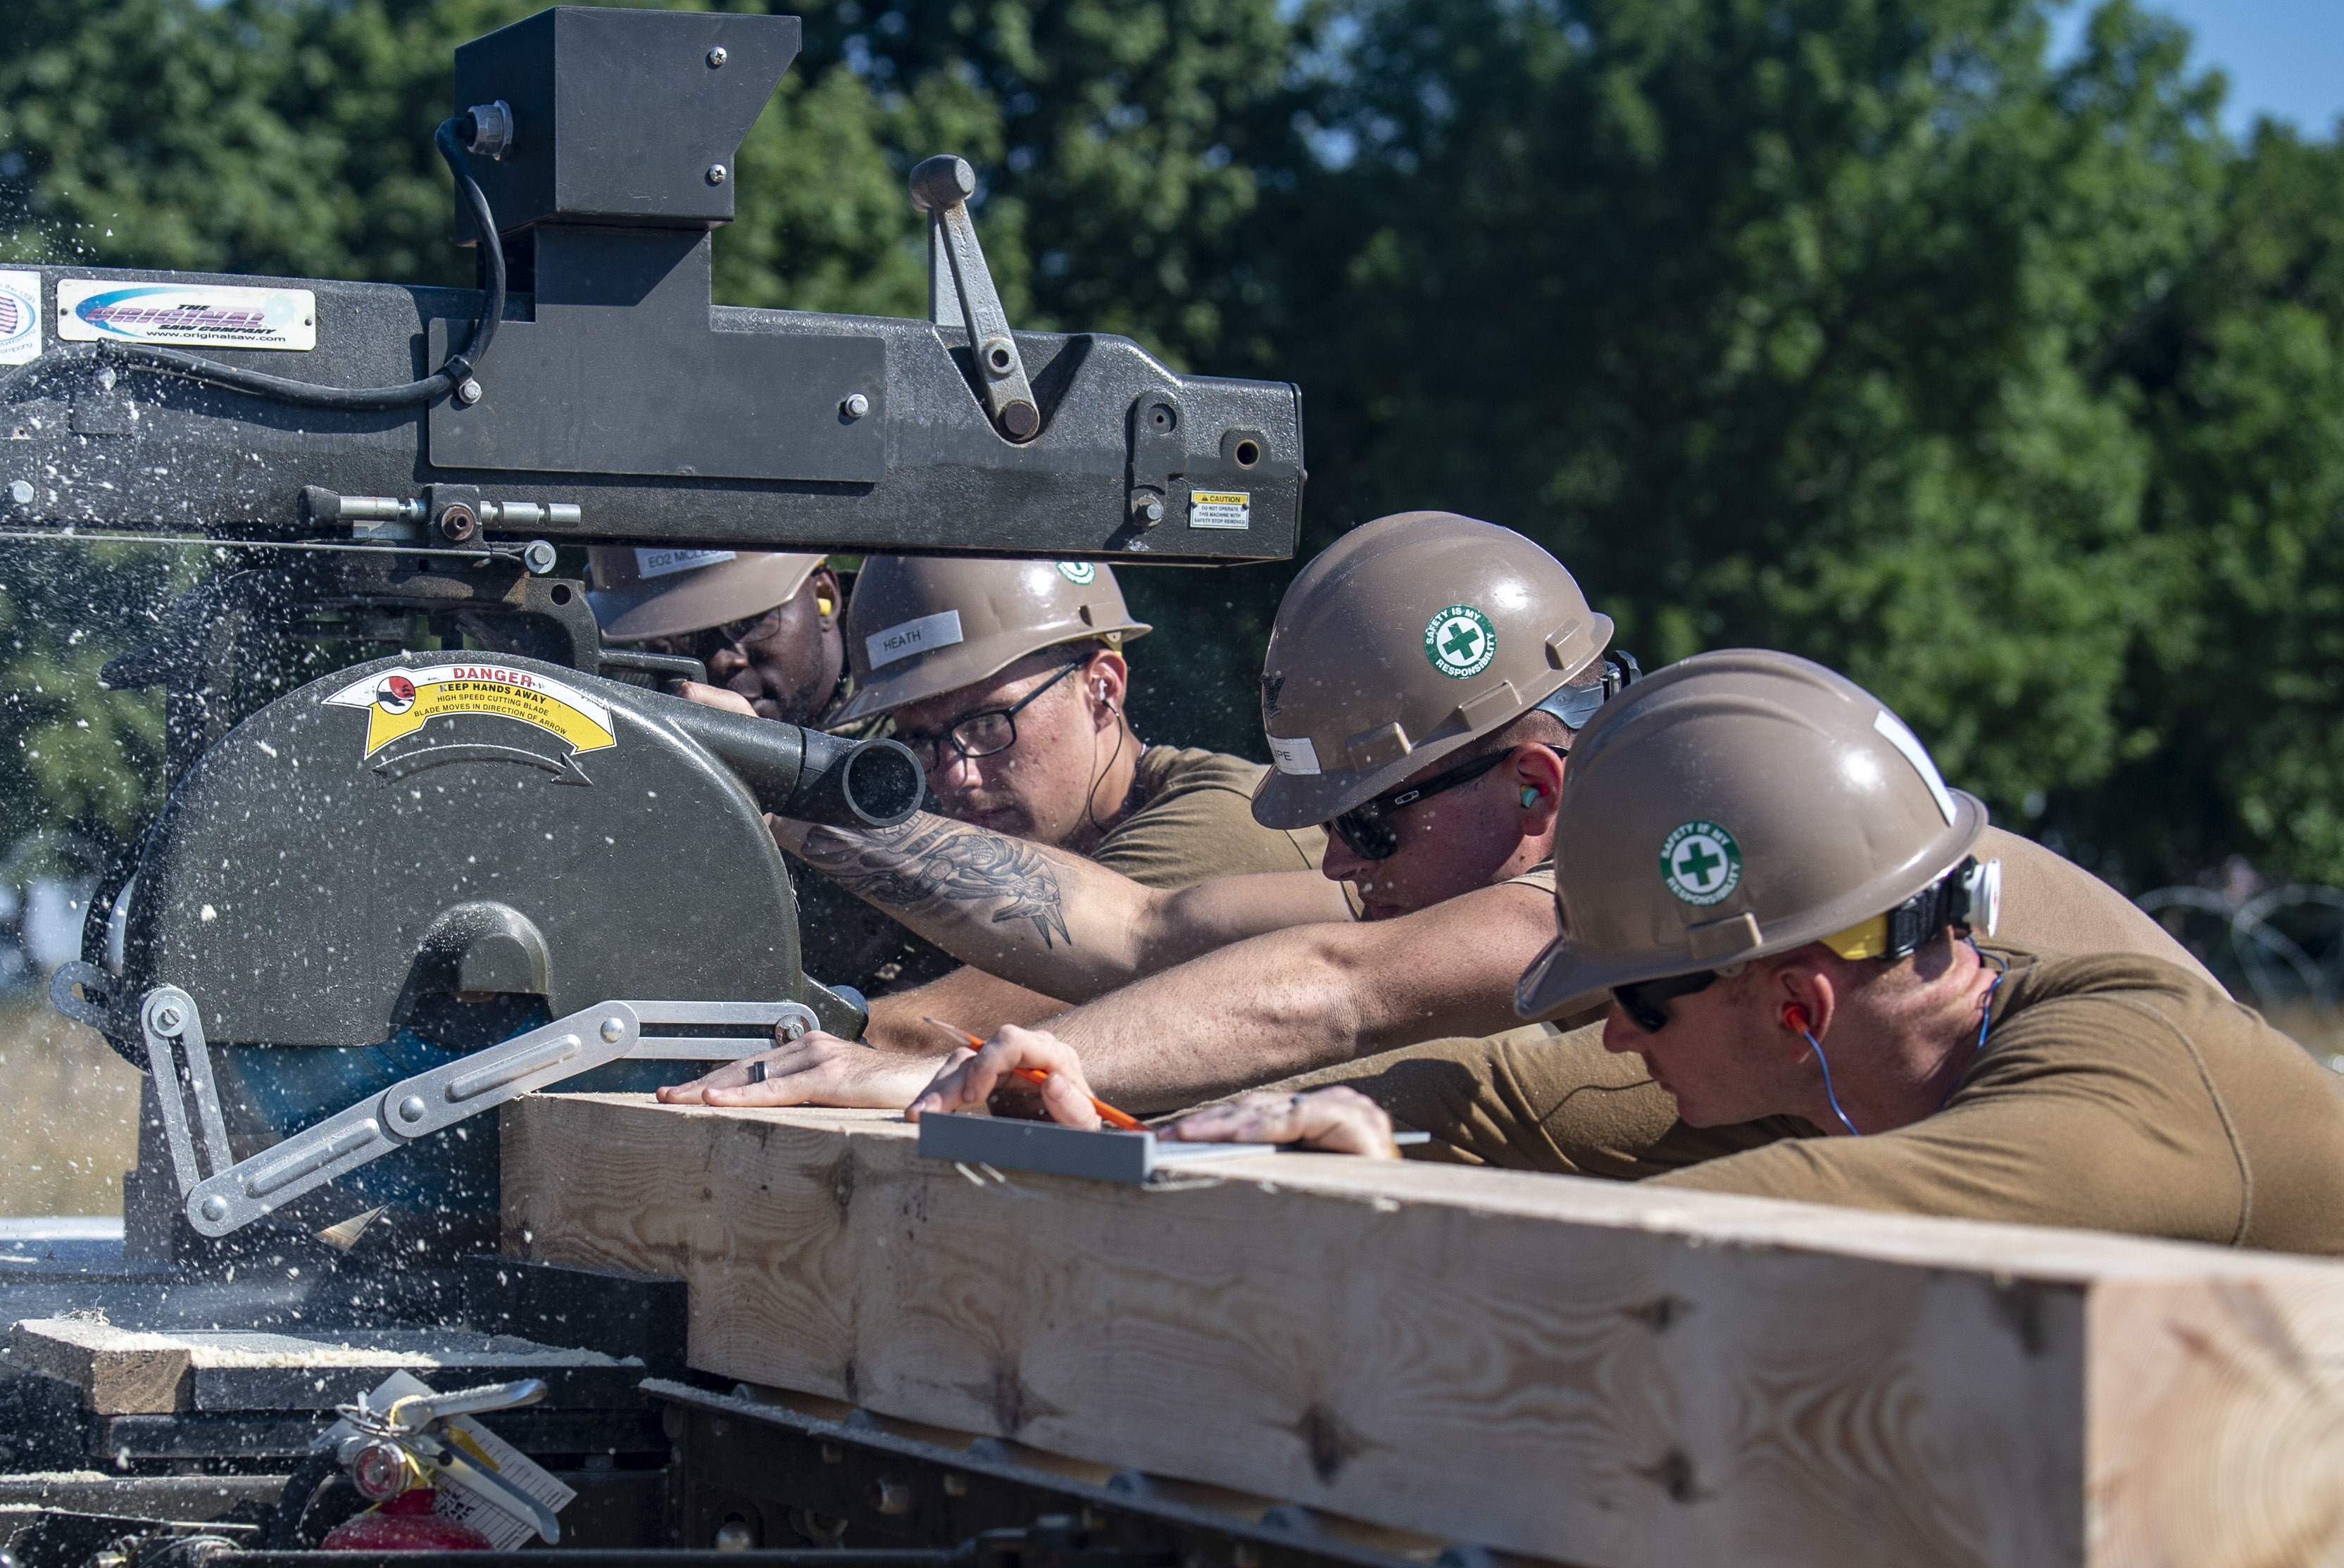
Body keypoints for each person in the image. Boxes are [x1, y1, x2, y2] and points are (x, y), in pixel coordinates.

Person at [941, 652, 2344, 1255]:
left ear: (1795, 1000)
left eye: (1635, 1007)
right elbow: (1465, 1099)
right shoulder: (1813, 1054)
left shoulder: (2135, 1079)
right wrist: (1146, 1144)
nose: (1610, 1040)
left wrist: (1390, 1209)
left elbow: (1782, 1217)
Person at [663, 511, 1636, 1103]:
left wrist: (917, 1074)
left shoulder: (1604, 898)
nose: (1332, 861)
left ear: (1534, 789)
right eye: (918, 741)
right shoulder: (1495, 876)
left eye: (1369, 823)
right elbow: (1139, 930)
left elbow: (1337, 987)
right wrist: (773, 783)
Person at [814, 555, 1336, 1048]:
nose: (956, 775)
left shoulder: (1230, 818)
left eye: (987, 723)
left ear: (1102, 689)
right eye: (920, 742)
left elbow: (941, 1027)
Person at [589, 546, 853, 727]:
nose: (719, 661)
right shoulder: (629, 714)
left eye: (747, 621)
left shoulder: (891, 711)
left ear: (823, 597)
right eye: (677, 636)